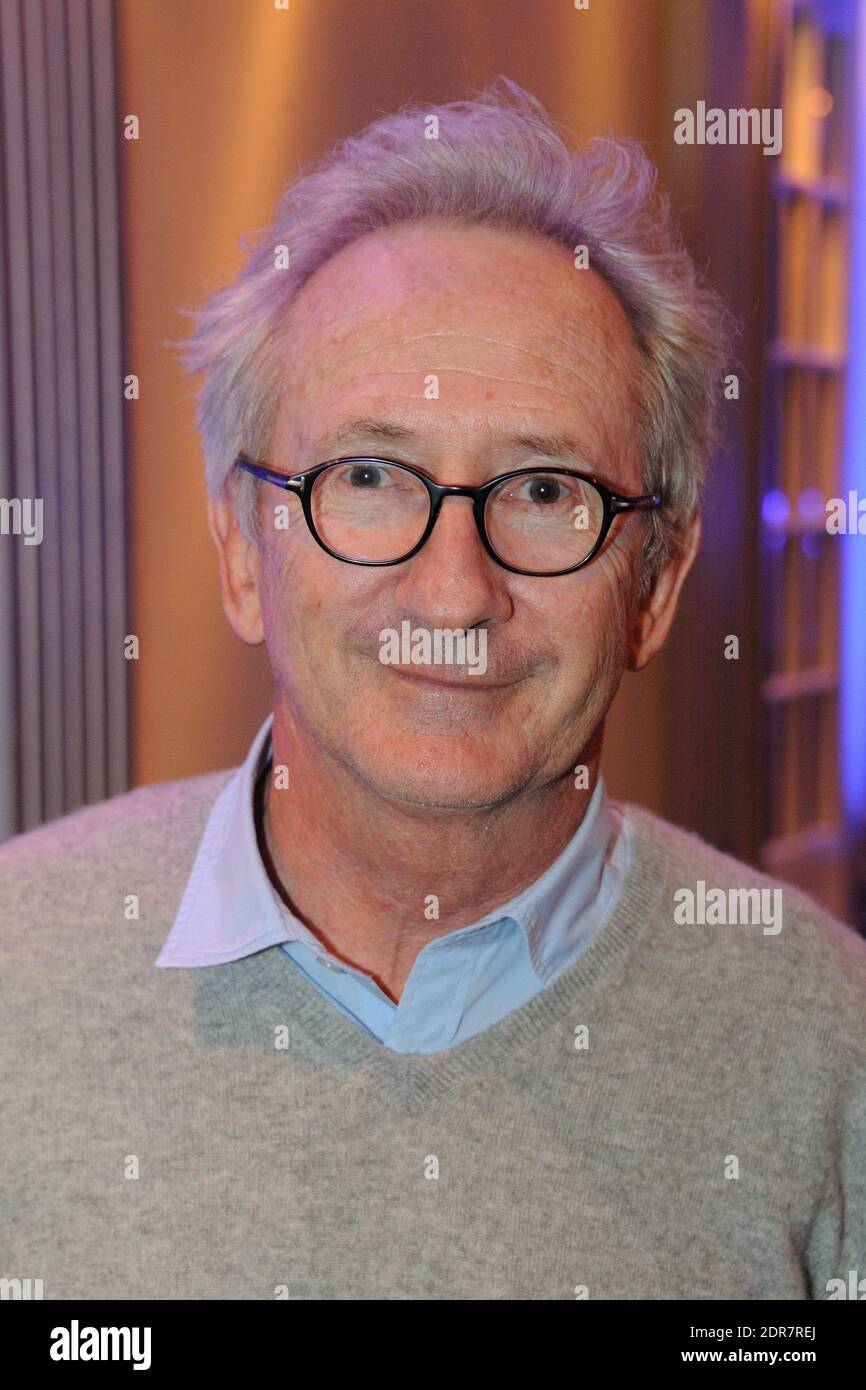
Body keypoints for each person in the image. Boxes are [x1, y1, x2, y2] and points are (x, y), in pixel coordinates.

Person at [2, 79, 863, 1301]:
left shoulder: (833, 1055)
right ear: (245, 554)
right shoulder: (11, 981)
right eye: (368, 476)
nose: (453, 593)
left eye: (546, 490)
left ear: (655, 586)